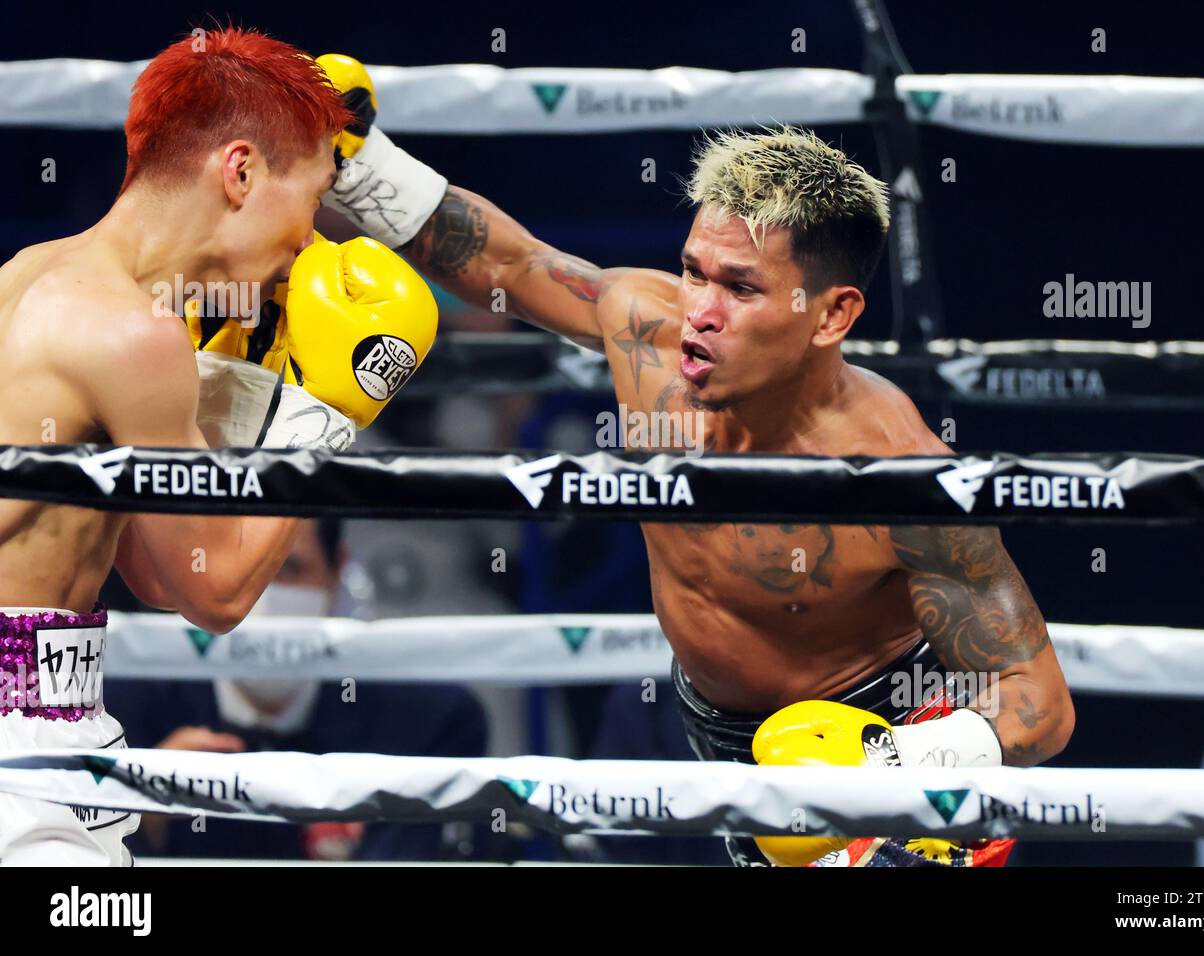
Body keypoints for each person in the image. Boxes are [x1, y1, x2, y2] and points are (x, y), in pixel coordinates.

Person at [318, 56, 1074, 866]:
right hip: (697, 738)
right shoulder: (649, 333)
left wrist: (881, 775)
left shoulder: (900, 476)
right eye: (692, 272)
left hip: (881, 755)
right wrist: (358, 164)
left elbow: (1039, 706)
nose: (700, 315)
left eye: (741, 289)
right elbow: (507, 264)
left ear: (833, 315)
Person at [0, 29, 434, 865]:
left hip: (48, 719)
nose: (311, 242)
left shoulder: (29, 275)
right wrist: (326, 410)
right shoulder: (132, 335)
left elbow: (162, 576)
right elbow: (220, 593)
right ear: (239, 172)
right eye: (309, 202)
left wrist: (230, 393)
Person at [107, 519, 491, 862]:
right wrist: (138, 811)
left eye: (288, 568)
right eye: (239, 568)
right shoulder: (118, 712)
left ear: (336, 570)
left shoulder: (427, 719)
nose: (263, 594)